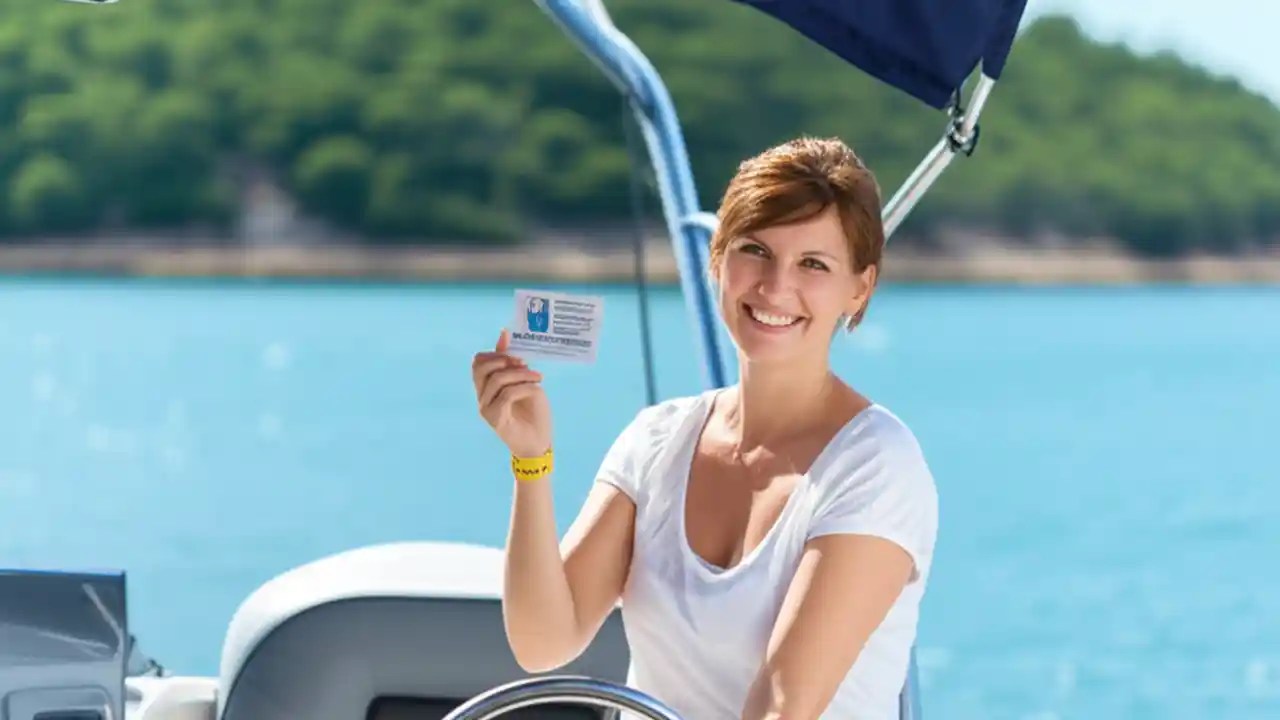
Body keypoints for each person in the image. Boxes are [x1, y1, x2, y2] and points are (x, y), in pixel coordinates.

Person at [471, 136, 938, 720]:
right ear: (716, 259)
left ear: (859, 288)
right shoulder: (657, 439)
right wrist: (531, 459)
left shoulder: (876, 466)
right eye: (755, 250)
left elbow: (782, 709)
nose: (774, 286)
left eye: (813, 264)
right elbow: (545, 640)